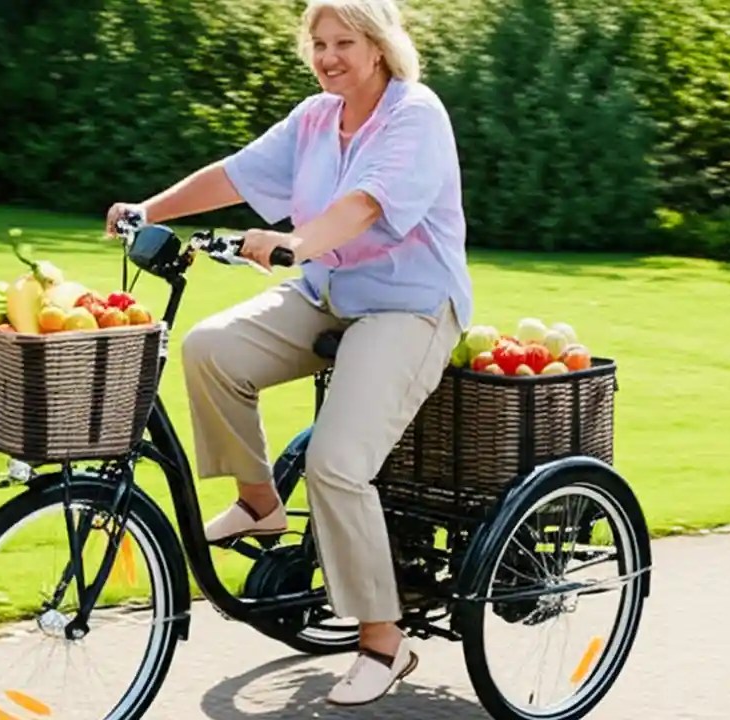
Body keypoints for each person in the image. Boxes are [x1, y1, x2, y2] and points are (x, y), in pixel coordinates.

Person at [105, 0, 472, 706]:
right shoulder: (314, 119)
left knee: (338, 463)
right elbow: (235, 176)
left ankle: (382, 642)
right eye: (319, 42)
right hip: (328, 290)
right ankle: (259, 501)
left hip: (409, 306)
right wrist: (148, 210)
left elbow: (366, 204)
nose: (329, 55)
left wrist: (296, 243)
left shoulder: (415, 115)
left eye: (345, 42)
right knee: (211, 348)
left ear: (379, 46)